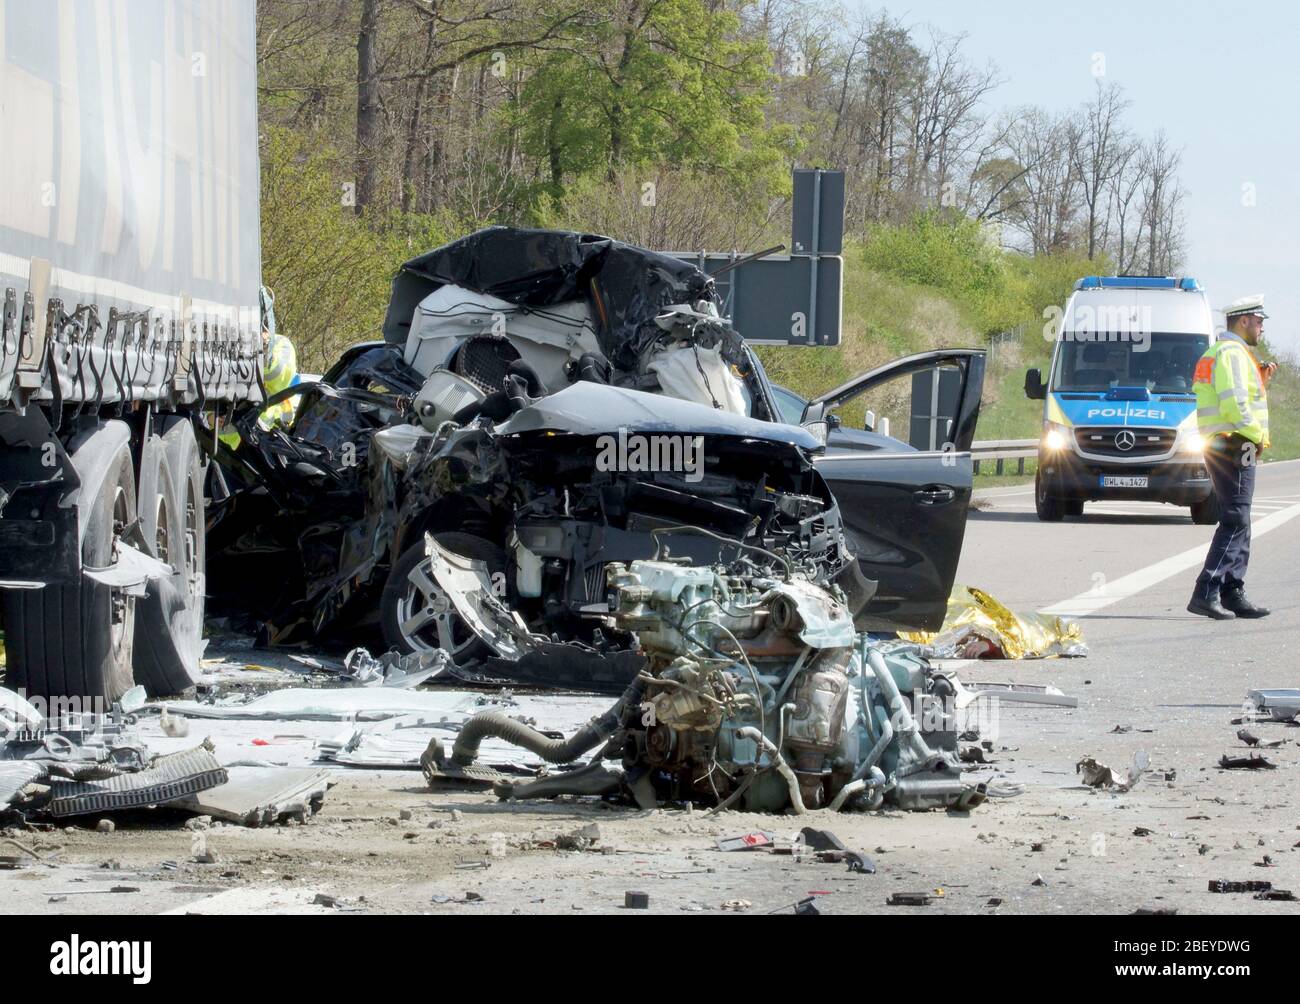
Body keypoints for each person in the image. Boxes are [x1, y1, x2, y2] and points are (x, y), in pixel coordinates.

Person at [1186, 294, 1276, 619]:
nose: (1262, 327)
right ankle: (1206, 590)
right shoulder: (1232, 353)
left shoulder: (1224, 352)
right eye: (1259, 320)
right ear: (1244, 321)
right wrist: (1257, 435)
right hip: (1234, 442)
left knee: (1242, 515)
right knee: (1236, 516)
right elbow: (1234, 403)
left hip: (1228, 441)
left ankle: (1232, 589)